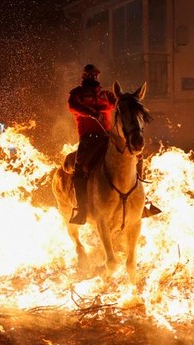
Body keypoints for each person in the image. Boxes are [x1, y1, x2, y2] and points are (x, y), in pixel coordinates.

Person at [67, 64, 117, 225]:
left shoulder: (106, 94)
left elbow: (118, 103)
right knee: (79, 170)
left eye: (94, 75)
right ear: (84, 76)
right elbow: (73, 107)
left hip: (107, 137)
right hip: (88, 138)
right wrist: (90, 112)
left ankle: (143, 203)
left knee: (132, 157)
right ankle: (82, 209)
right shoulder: (77, 94)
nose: (92, 78)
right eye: (89, 75)